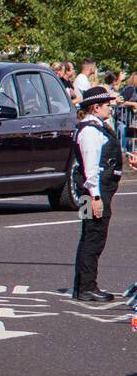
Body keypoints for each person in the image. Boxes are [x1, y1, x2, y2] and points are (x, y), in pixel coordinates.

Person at [72, 88, 130, 301]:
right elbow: (91, 168)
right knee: (93, 237)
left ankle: (83, 285)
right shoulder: (90, 131)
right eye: (107, 105)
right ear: (96, 107)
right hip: (93, 193)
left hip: (94, 192)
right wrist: (96, 197)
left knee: (90, 235)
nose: (110, 108)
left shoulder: (97, 128)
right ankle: (87, 287)